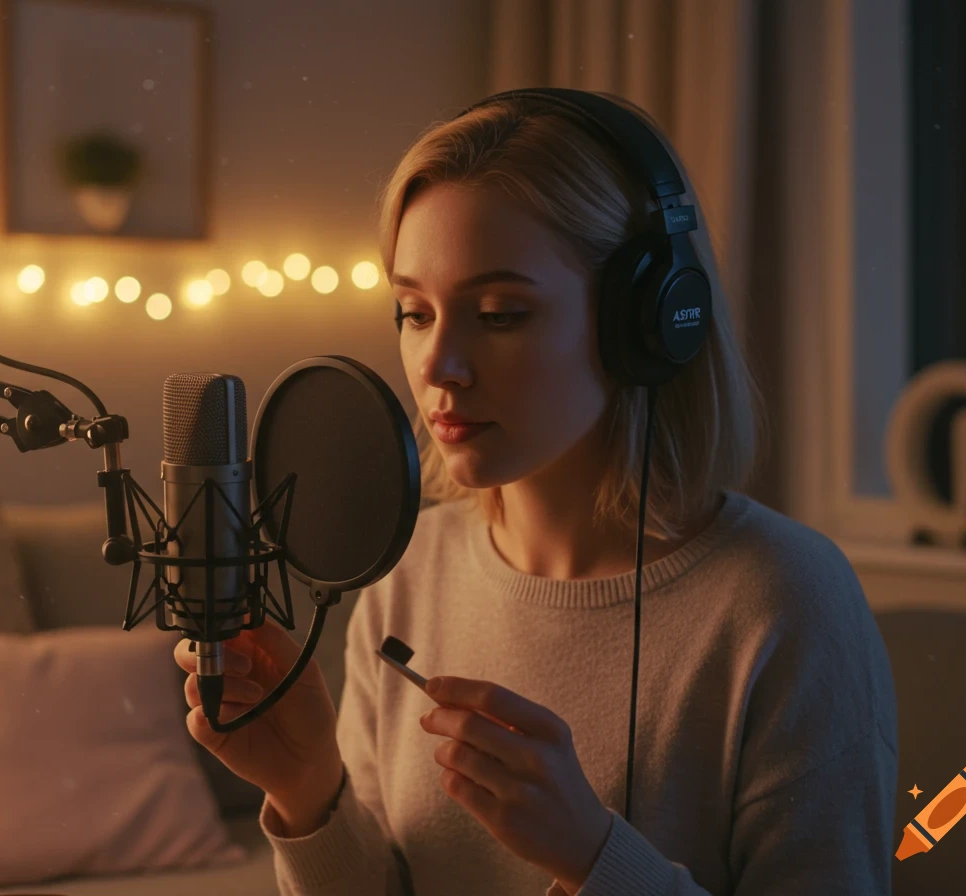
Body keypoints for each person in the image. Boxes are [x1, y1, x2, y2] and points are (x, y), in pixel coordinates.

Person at [175, 90, 899, 895]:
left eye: (500, 313)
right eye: (413, 312)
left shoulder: (785, 602)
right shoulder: (406, 570)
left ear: (648, 321)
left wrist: (595, 857)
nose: (438, 366)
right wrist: (309, 790)